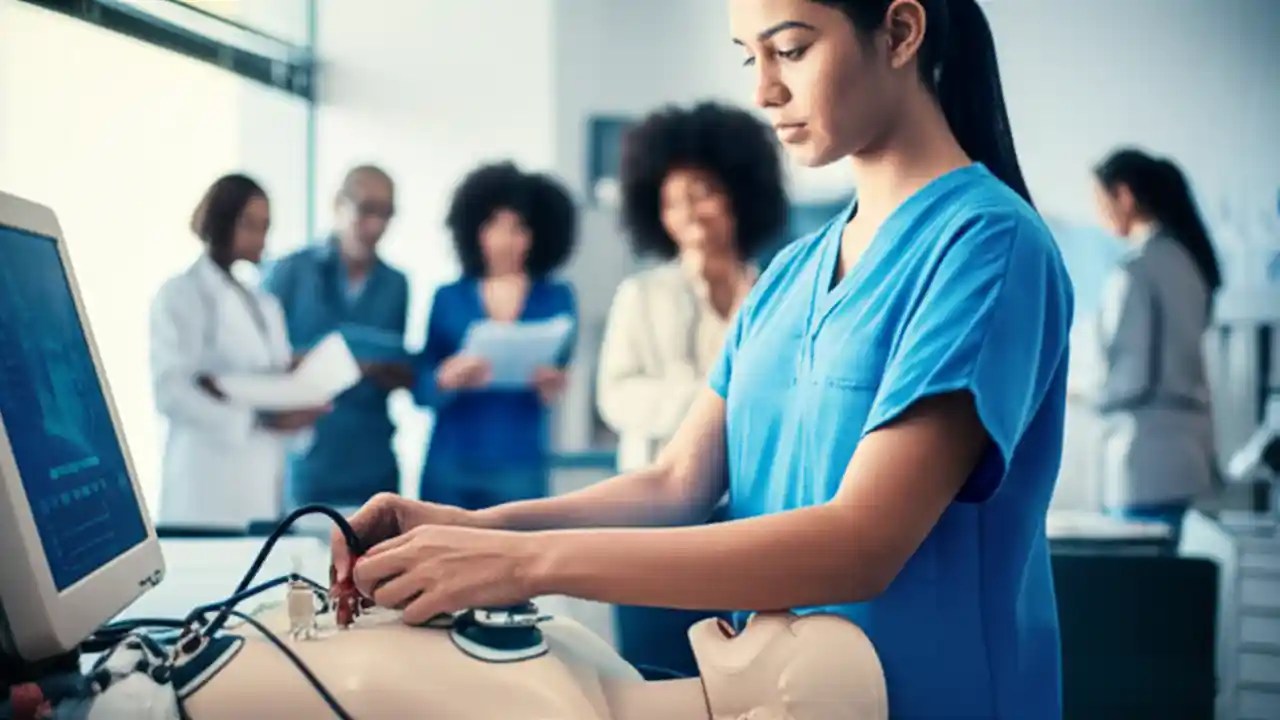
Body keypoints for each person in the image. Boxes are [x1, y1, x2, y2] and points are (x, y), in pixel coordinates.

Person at [334, 2, 1074, 718]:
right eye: (750, 58)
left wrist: (521, 566)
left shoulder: (987, 246)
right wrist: (472, 529)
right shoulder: (792, 274)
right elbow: (677, 484)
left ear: (900, 32)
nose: (763, 90)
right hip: (780, 696)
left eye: (790, 49)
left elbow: (863, 540)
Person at [596, 101, 788, 678]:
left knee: (743, 681)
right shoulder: (641, 294)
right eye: (673, 202)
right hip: (655, 518)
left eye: (702, 192)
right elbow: (616, 397)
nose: (689, 212)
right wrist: (707, 399)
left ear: (736, 193)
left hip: (749, 518)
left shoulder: (775, 289)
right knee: (655, 677)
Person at [151, 174, 327, 530]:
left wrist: (300, 396)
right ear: (220, 221)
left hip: (260, 481)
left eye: (266, 226)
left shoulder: (264, 303)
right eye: (250, 225)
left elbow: (271, 376)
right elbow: (171, 392)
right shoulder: (181, 294)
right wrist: (257, 420)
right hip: (204, 482)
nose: (260, 238)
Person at [412, 161, 578, 511]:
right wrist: (446, 378)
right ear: (473, 230)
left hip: (519, 460)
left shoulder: (557, 298)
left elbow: (559, 375)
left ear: (537, 236)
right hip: (451, 459)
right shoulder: (448, 297)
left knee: (515, 557)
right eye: (493, 226)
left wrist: (552, 385)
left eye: (517, 228)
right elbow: (422, 385)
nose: (505, 240)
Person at [263, 165, 413, 510]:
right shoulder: (290, 271)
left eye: (386, 213)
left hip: (374, 459)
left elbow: (397, 361)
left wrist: (391, 370)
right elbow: (263, 359)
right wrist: (322, 360)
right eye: (366, 209)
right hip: (312, 457)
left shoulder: (396, 284)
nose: (375, 225)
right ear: (338, 204)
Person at [1092, 148, 1221, 542]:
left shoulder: (1137, 269)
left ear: (1124, 196)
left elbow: (1130, 374)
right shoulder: (1189, 262)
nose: (1099, 215)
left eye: (1101, 202)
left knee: (1137, 590)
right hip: (1189, 456)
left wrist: (1086, 393)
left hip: (1144, 456)